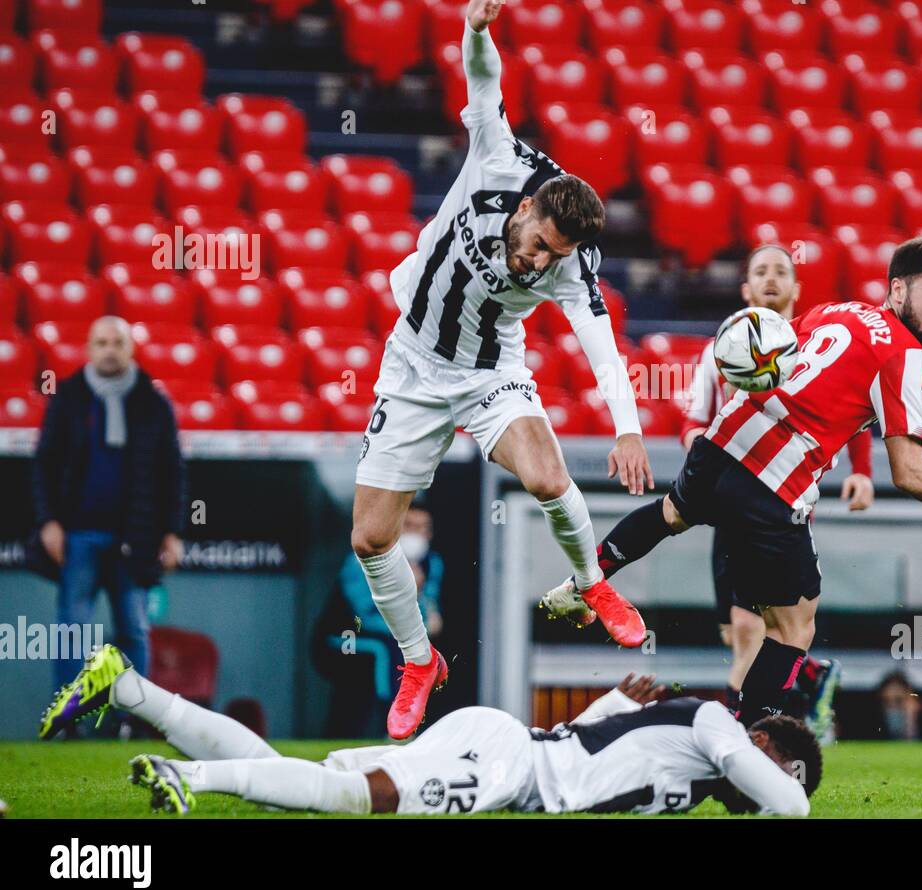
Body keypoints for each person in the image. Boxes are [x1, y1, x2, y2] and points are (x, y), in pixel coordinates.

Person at [544, 237, 922, 726]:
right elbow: (908, 471)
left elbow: (771, 353)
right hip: (774, 483)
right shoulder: (904, 353)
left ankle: (583, 581)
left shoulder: (841, 311)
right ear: (898, 291)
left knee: (673, 513)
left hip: (721, 441)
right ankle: (750, 738)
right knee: (795, 626)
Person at [349, 0, 653, 741]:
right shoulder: (497, 163)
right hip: (413, 363)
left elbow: (603, 350)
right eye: (538, 245)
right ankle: (421, 662)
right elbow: (484, 83)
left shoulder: (569, 264)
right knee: (370, 540)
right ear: (525, 208)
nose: (536, 263)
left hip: (490, 373)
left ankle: (590, 584)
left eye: (555, 256)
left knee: (550, 475)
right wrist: (477, 29)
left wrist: (626, 429)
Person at [41, 646, 818, 817]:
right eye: (792, 767)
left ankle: (132, 687)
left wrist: (610, 708)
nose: (785, 787)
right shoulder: (719, 724)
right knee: (357, 802)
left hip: (516, 751)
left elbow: (588, 751)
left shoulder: (700, 752)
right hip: (506, 762)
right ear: (766, 748)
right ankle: (189, 780)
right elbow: (791, 809)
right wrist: (796, 793)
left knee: (299, 778)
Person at [677, 244, 879, 740]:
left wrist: (862, 470)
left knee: (758, 631)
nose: (771, 278)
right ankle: (799, 692)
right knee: (743, 632)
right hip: (731, 508)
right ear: (745, 289)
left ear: (797, 288)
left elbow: (855, 412)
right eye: (760, 271)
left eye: (781, 271)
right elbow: (692, 422)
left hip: (784, 506)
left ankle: (747, 737)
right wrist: (709, 453)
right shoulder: (719, 350)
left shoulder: (815, 347)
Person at [31, 315, 185, 692]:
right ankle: (68, 721)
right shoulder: (68, 398)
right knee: (72, 629)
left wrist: (173, 532)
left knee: (133, 629)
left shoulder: (152, 402)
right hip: (77, 535)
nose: (109, 351)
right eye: (101, 343)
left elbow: (173, 472)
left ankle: (133, 720)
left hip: (136, 537)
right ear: (89, 349)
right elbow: (44, 465)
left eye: (117, 343)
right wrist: (48, 521)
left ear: (130, 349)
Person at [313, 502, 444, 738]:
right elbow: (365, 615)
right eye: (409, 526)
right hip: (341, 638)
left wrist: (421, 598)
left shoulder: (432, 563)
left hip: (392, 637)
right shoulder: (365, 558)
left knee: (413, 646)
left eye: (423, 528)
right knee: (390, 644)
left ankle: (418, 722)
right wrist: (406, 593)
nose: (416, 534)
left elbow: (429, 612)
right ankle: (395, 718)